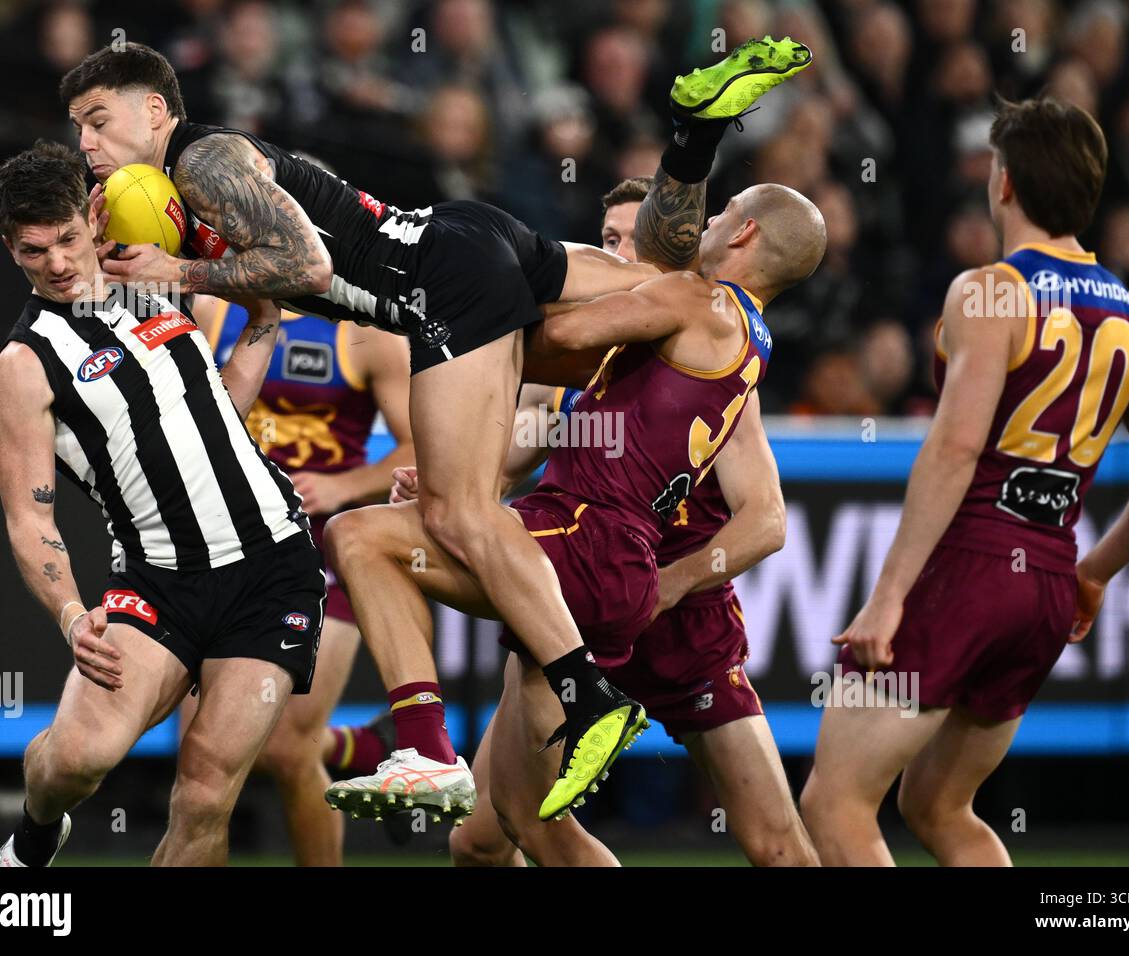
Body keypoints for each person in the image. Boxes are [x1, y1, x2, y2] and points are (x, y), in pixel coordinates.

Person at [60, 37, 812, 816]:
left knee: (455, 512)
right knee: (661, 277)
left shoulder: (204, 162)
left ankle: (580, 699)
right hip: (468, 239)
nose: (85, 141)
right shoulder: (188, 183)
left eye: (97, 119)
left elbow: (308, 268)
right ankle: (692, 137)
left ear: (155, 111)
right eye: (77, 126)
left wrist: (176, 269)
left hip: (439, 287)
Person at [324, 149, 827, 862]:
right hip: (593, 560)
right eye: (607, 245)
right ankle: (433, 746)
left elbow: (552, 337)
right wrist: (451, 477)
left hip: (624, 568)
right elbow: (515, 443)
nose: (610, 263)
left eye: (625, 245)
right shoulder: (707, 347)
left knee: (363, 540)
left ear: (734, 236)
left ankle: (423, 743)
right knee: (502, 832)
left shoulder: (693, 305)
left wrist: (441, 294)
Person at [800, 97, 1129, 866]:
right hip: (1046, 577)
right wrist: (1092, 571)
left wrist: (888, 596)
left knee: (834, 803)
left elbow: (955, 449)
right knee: (940, 806)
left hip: (970, 566)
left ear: (1006, 184)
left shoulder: (990, 291)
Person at [0, 141, 324, 867]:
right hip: (157, 581)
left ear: (91, 215)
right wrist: (72, 615)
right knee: (74, 761)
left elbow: (218, 407)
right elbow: (29, 519)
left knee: (205, 794)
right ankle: (38, 829)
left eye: (69, 239)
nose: (59, 263)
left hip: (274, 568)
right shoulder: (23, 367)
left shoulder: (156, 278)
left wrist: (260, 320)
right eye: (34, 251)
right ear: (11, 249)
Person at [174, 294, 413, 865]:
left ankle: (351, 750)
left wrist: (346, 485)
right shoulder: (213, 310)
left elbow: (419, 449)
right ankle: (362, 746)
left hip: (323, 554)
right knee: (200, 756)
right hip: (227, 545)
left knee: (285, 748)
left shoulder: (366, 334)